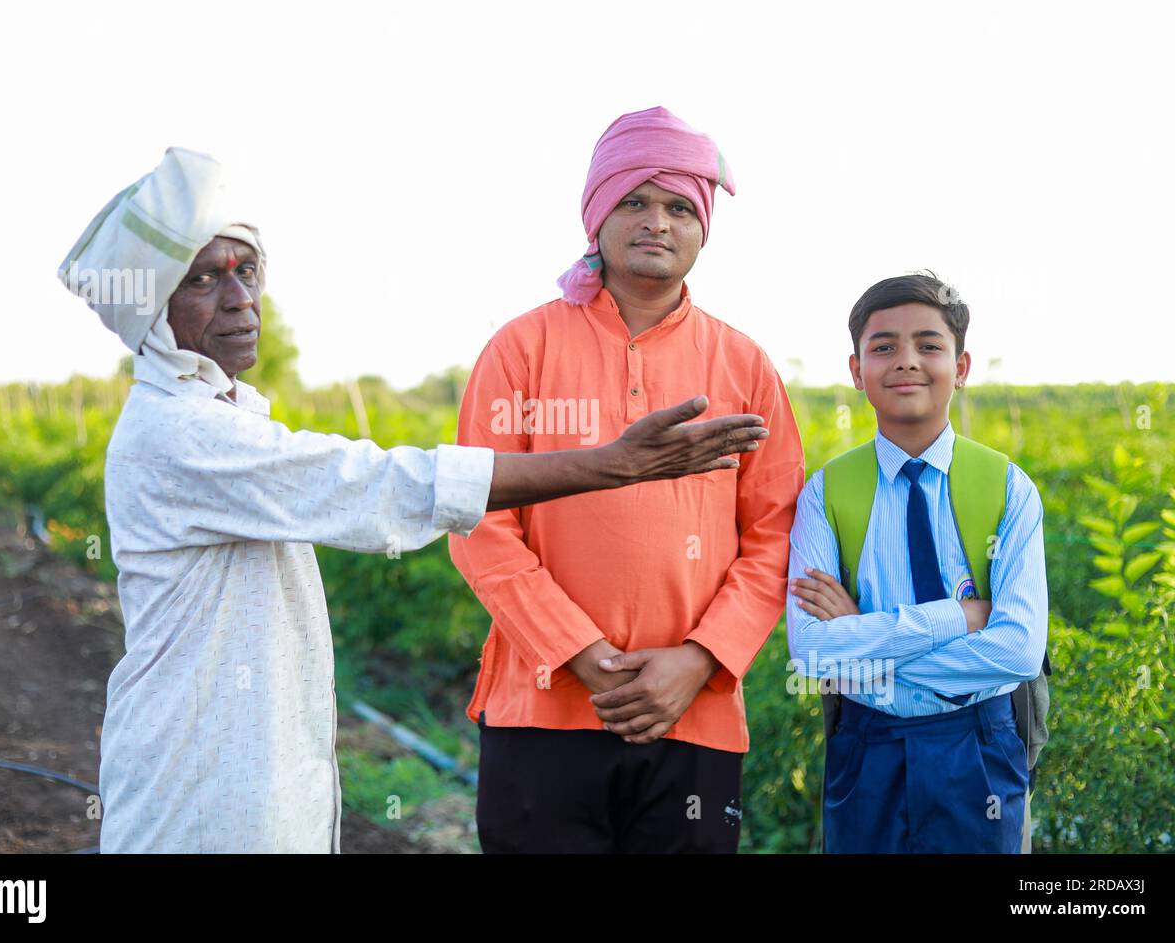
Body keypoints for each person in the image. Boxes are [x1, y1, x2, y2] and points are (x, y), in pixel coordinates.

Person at [57, 146, 768, 852]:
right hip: (202, 764)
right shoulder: (181, 432)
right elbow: (381, 484)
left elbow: (774, 534)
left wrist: (702, 657)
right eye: (204, 280)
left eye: (247, 273)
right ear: (151, 310)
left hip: (253, 751)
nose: (240, 300)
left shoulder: (227, 413)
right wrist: (610, 468)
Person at [449, 107, 806, 853]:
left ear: (704, 226)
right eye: (635, 200)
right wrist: (582, 652)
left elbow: (776, 536)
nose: (658, 222)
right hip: (542, 709)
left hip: (695, 716)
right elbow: (479, 521)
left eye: (680, 206)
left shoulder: (744, 366)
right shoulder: (521, 349)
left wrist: (699, 660)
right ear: (597, 213)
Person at [786, 272, 1048, 853]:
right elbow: (811, 653)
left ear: (961, 366)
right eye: (884, 346)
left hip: (978, 745)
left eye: (929, 345)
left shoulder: (1007, 488)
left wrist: (862, 640)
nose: (906, 361)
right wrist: (958, 618)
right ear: (856, 370)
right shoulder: (826, 493)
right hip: (867, 746)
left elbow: (1020, 650)